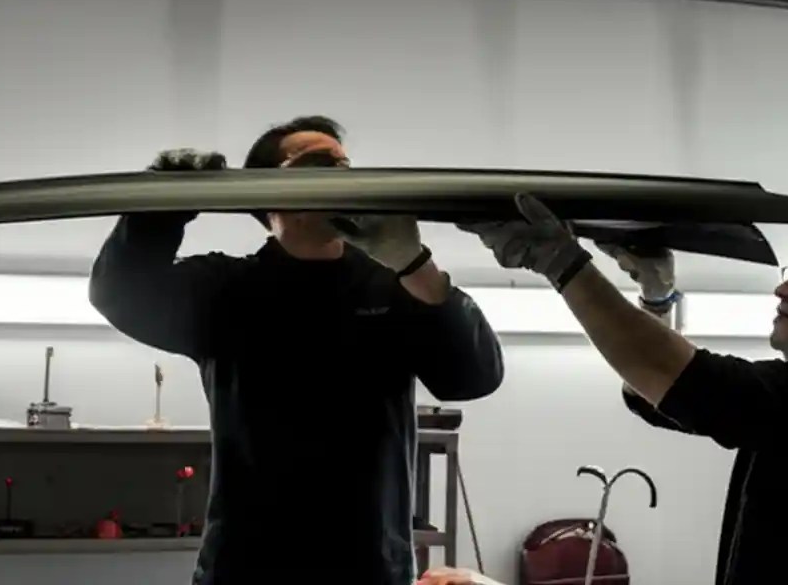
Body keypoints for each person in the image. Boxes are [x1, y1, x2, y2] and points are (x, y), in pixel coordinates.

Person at [88, 115, 505, 585]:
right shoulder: (227, 291)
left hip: (368, 566)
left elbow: (476, 377)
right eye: (318, 163)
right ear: (269, 193)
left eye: (345, 164)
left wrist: (416, 263)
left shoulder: (394, 286)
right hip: (249, 567)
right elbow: (119, 292)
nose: (340, 176)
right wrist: (161, 205)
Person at [458, 193, 788, 585]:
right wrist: (657, 300)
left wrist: (560, 261)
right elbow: (655, 392)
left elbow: (681, 378)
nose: (785, 291)